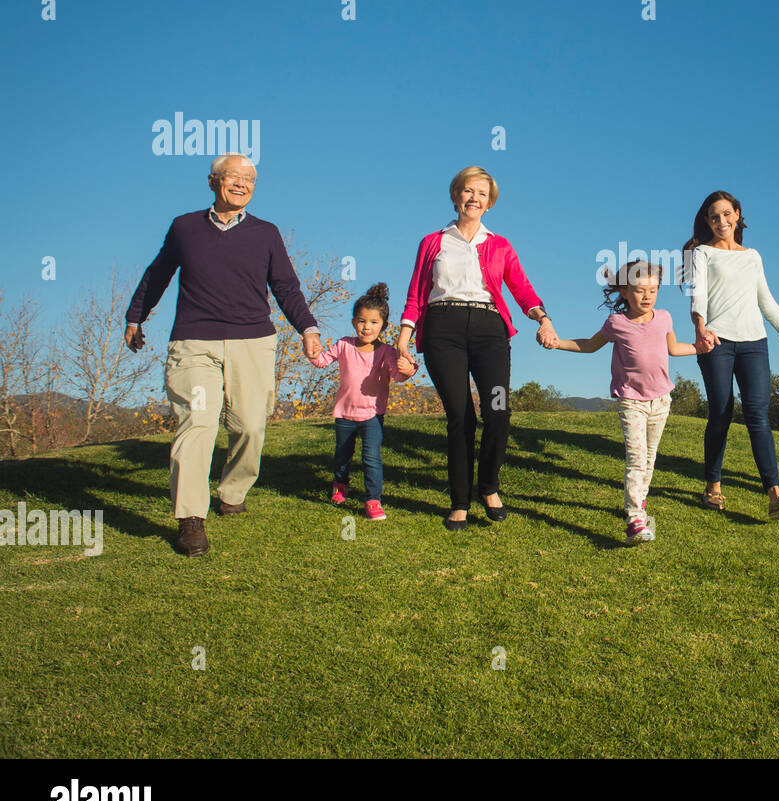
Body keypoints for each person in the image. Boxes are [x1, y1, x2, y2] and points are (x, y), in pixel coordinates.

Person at [124, 154, 322, 556]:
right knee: (197, 423)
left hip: (252, 341)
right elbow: (158, 273)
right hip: (195, 342)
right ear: (213, 181)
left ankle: (232, 490)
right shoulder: (185, 227)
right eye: (234, 176)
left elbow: (286, 286)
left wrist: (308, 328)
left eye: (250, 179)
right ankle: (191, 519)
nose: (243, 183)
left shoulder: (266, 233)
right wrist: (135, 316)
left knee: (250, 426)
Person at [395, 167, 556, 531]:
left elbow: (522, 289)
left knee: (498, 411)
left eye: (481, 194)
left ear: (489, 202)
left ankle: (489, 486)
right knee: (461, 417)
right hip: (442, 329)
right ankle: (459, 501)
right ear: (456, 196)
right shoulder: (433, 241)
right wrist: (403, 337)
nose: (473, 198)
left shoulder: (500, 245)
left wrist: (542, 318)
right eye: (467, 191)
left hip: (489, 332)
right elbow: (416, 292)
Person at [547, 259, 702, 543]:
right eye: (641, 290)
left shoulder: (665, 318)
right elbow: (590, 345)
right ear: (625, 293)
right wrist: (558, 343)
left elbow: (674, 348)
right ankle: (634, 519)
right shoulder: (616, 323)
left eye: (653, 290)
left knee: (650, 458)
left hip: (661, 400)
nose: (647, 296)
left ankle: (639, 502)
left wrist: (699, 348)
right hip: (631, 400)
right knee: (636, 458)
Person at [683, 190, 779, 520]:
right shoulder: (702, 253)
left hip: (754, 343)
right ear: (707, 222)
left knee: (758, 415)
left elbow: (766, 300)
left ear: (737, 215)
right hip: (716, 342)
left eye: (726, 214)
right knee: (721, 412)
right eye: (714, 217)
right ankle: (713, 487)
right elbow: (699, 295)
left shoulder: (753, 256)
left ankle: (775, 495)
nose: (721, 221)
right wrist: (700, 328)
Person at [309, 283, 416, 521]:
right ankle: (341, 484)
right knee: (342, 454)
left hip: (372, 416)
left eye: (373, 322)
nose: (366, 327)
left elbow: (399, 376)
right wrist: (313, 352)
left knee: (371, 458)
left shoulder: (387, 352)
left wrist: (408, 370)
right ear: (353, 322)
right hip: (344, 414)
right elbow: (322, 361)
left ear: (384, 326)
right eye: (361, 321)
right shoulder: (344, 344)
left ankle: (372, 500)